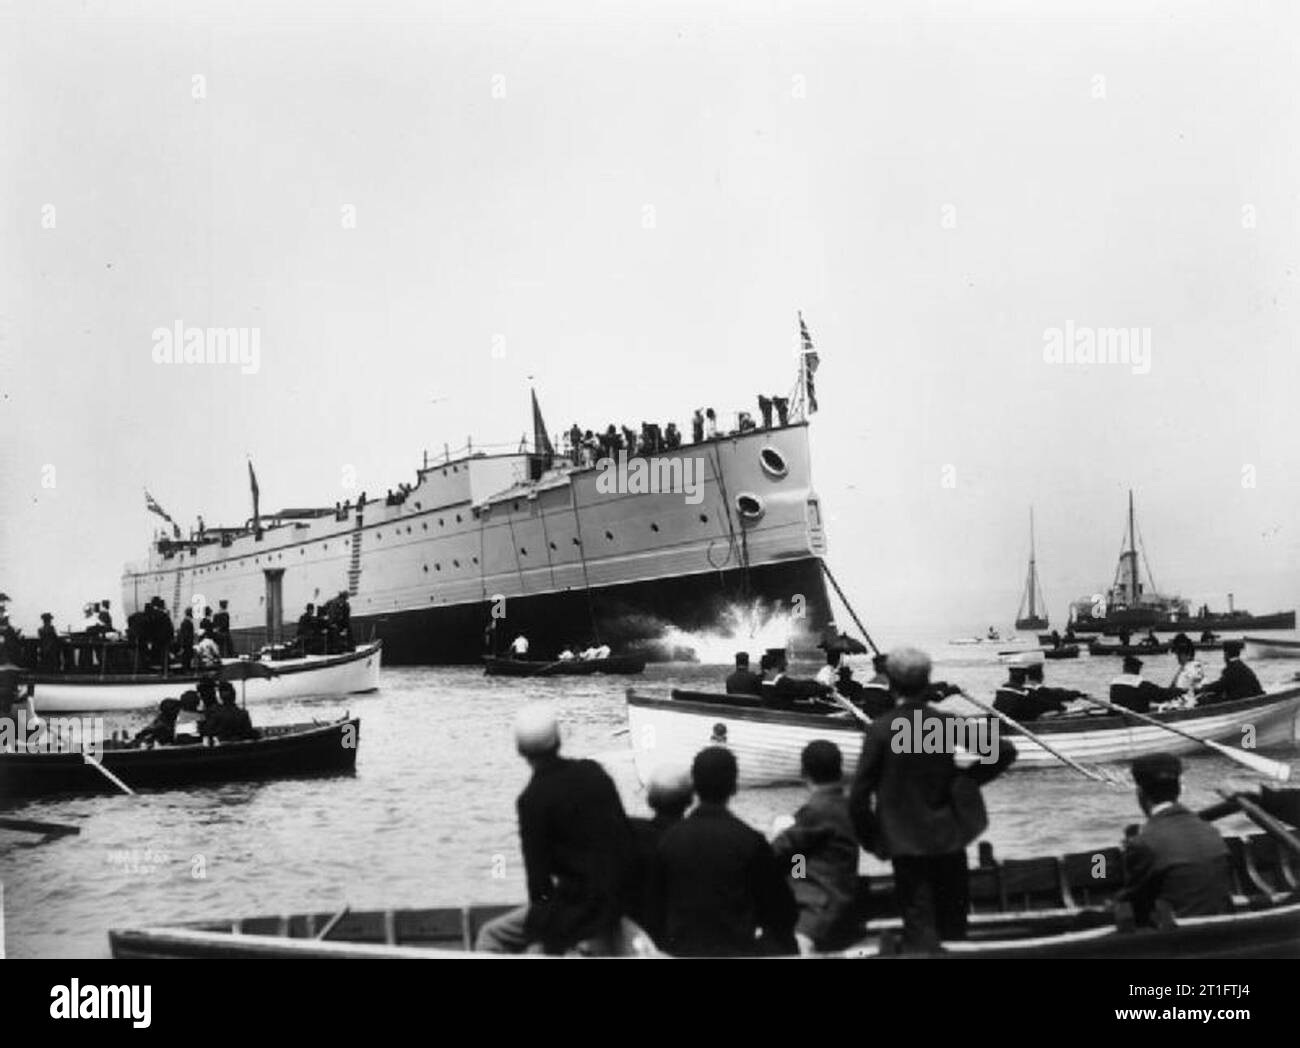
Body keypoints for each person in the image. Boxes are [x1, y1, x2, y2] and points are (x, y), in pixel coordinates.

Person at [848, 647, 1017, 953]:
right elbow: (1004, 751)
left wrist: (875, 842)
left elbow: (858, 801)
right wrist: (965, 781)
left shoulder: (881, 730)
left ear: (891, 683)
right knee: (954, 929)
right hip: (948, 839)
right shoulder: (943, 724)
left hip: (906, 845)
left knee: (919, 933)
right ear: (927, 681)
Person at [475, 703, 633, 955]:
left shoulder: (532, 798)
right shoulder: (594, 772)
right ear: (558, 739)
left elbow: (538, 881)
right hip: (617, 900)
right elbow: (625, 839)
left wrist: (543, 936)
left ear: (519, 749)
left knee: (490, 935)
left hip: (576, 906)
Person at [653, 746, 797, 956]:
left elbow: (656, 903)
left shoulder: (669, 840)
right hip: (735, 950)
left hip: (682, 950)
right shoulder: (751, 841)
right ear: (734, 786)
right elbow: (781, 909)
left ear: (693, 786)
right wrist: (798, 865)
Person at [1113, 753, 1231, 928]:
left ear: (1140, 793)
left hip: (1176, 939)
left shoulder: (1143, 843)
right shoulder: (1211, 831)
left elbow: (1131, 904)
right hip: (1220, 929)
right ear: (1179, 790)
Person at [770, 740, 860, 953]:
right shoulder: (847, 807)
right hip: (840, 895)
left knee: (782, 826)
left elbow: (777, 851)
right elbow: (799, 854)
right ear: (839, 770)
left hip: (819, 907)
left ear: (804, 772)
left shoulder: (817, 812)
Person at [625, 761, 694, 944]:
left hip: (638, 934)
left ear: (649, 800)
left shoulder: (629, 832)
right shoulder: (693, 841)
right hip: (678, 938)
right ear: (689, 800)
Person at [1198, 640, 1263, 705]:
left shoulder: (1232, 668)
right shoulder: (1242, 666)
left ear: (1226, 655)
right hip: (1251, 697)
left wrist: (1204, 688)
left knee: (1203, 700)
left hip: (1243, 700)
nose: (1223, 657)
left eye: (1224, 654)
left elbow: (1221, 685)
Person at [1109, 655, 1176, 713]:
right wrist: (1179, 691)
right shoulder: (1141, 685)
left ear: (1124, 668)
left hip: (1119, 715)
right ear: (1138, 669)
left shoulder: (1114, 684)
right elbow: (1161, 696)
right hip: (1137, 719)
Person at [1166, 635, 1203, 707]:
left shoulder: (1190, 669)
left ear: (1188, 655)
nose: (1177, 658)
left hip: (1186, 704)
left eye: (1180, 655)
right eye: (1177, 655)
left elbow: (1179, 690)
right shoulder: (1189, 667)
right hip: (1185, 701)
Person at [176, 608, 196, 672]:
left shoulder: (184, 622)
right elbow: (187, 635)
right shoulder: (188, 623)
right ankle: (186, 669)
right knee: (187, 657)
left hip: (186, 642)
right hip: (188, 643)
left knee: (186, 657)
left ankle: (185, 669)